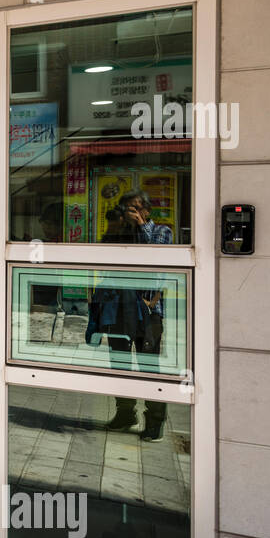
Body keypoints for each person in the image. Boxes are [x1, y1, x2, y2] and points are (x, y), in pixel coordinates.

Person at [91, 189, 170, 441]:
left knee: (149, 366)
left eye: (135, 209)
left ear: (146, 210)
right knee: (120, 364)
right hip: (119, 309)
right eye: (127, 209)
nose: (130, 213)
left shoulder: (161, 232)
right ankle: (125, 413)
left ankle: (155, 420)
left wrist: (142, 226)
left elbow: (160, 264)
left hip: (148, 311)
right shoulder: (120, 232)